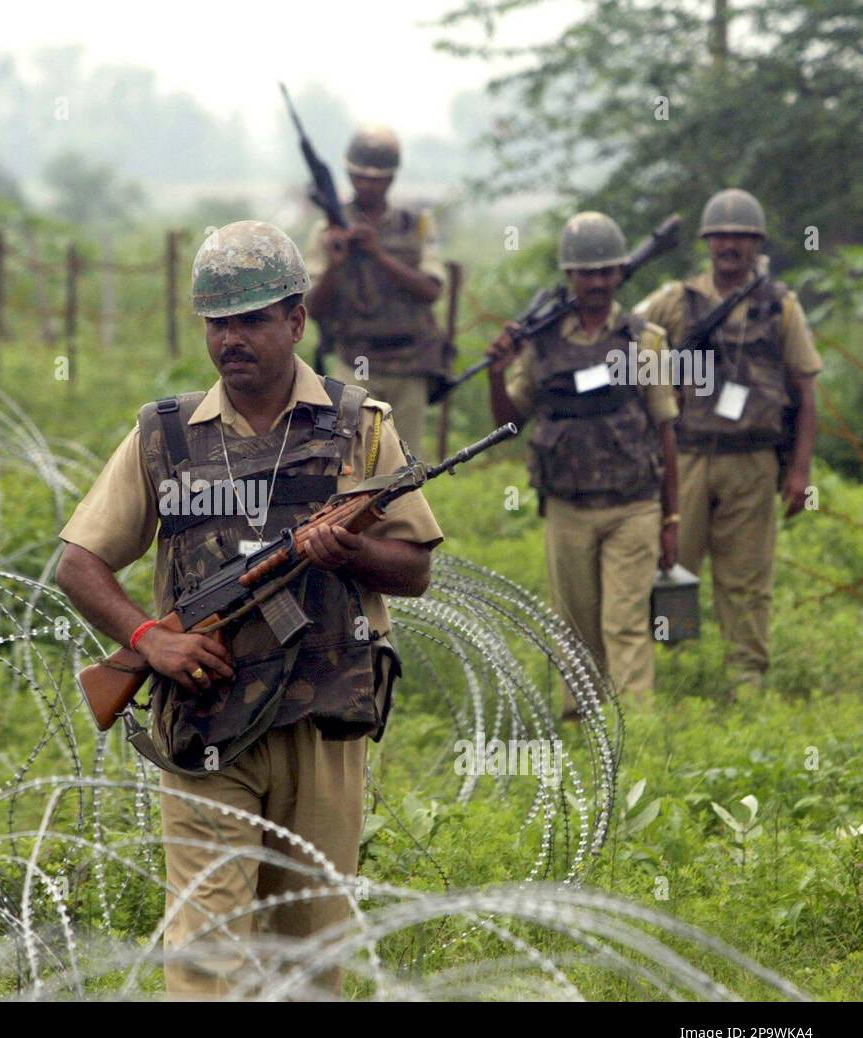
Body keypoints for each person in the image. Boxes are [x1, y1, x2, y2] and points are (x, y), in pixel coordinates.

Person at [55, 220, 443, 998]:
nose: (233, 338)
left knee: (308, 958)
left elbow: (415, 567)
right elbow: (77, 563)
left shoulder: (359, 427)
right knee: (205, 956)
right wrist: (148, 639)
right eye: (218, 321)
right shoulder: (164, 435)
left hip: (323, 723)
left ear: (296, 321)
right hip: (207, 724)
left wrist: (348, 550)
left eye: (253, 319)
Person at [486, 212, 679, 707]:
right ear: (569, 276)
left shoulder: (644, 339)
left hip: (634, 505)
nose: (595, 282)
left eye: (605, 272)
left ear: (619, 274)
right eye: (585, 272)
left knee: (626, 624)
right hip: (568, 507)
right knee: (575, 629)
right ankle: (585, 732)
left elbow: (665, 430)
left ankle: (637, 732)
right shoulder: (541, 343)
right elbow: (510, 422)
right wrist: (496, 372)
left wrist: (671, 517)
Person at [634, 189, 820, 692]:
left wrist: (799, 473)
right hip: (686, 456)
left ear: (755, 242)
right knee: (670, 567)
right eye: (721, 235)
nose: (730, 244)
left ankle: (748, 678)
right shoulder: (675, 301)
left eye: (741, 236)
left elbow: (805, 393)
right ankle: (670, 671)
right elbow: (627, 342)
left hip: (753, 462)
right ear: (707, 242)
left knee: (748, 579)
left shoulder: (781, 306)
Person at [304, 124, 447, 457]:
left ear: (392, 178)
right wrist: (336, 264)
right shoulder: (327, 228)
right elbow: (312, 307)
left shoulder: (417, 225)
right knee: (349, 464)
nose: (368, 185)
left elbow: (431, 289)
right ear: (349, 175)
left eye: (378, 177)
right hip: (354, 361)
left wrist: (377, 254)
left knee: (407, 466)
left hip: (409, 364)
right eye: (360, 176)